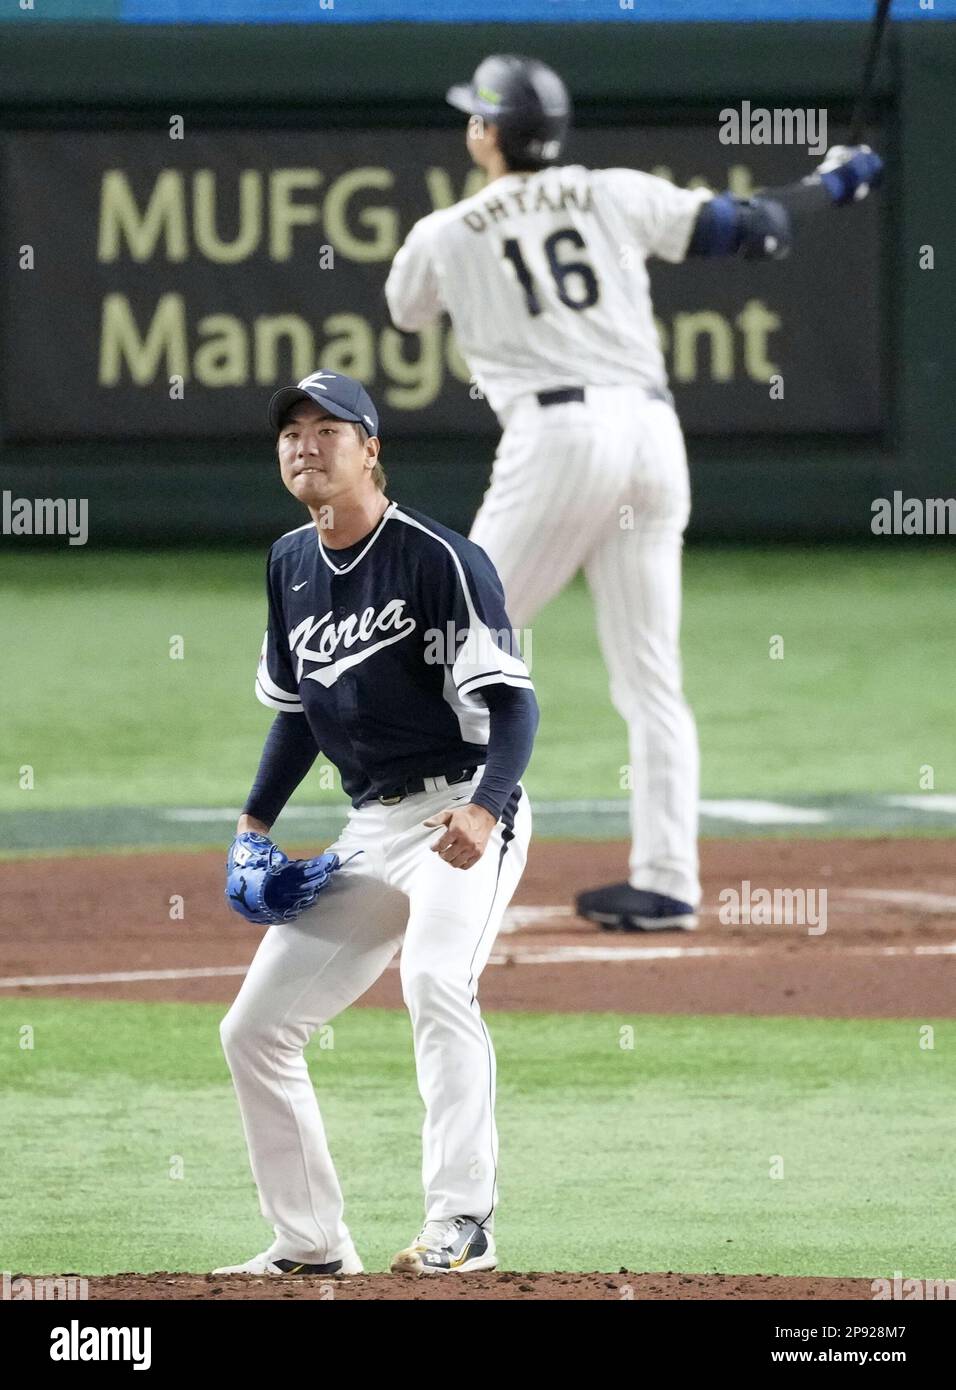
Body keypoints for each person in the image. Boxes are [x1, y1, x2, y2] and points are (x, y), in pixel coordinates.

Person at [385, 54, 882, 933]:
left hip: (558, 441)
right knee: (651, 677)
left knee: (446, 651)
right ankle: (665, 881)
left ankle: (423, 873)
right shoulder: (610, 189)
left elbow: (407, 312)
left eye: (477, 117)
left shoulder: (445, 231)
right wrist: (833, 181)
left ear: (490, 133)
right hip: (653, 436)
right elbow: (758, 227)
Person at [215, 368, 538, 1277]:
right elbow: (294, 710)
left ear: (371, 450)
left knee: (436, 979)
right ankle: (313, 1244)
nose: (305, 446)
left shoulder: (440, 558)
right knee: (254, 1030)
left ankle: (461, 1223)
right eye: (291, 433)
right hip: (372, 825)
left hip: (461, 808)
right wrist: (253, 824)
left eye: (329, 430)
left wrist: (485, 810)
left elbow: (516, 710)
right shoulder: (289, 562)